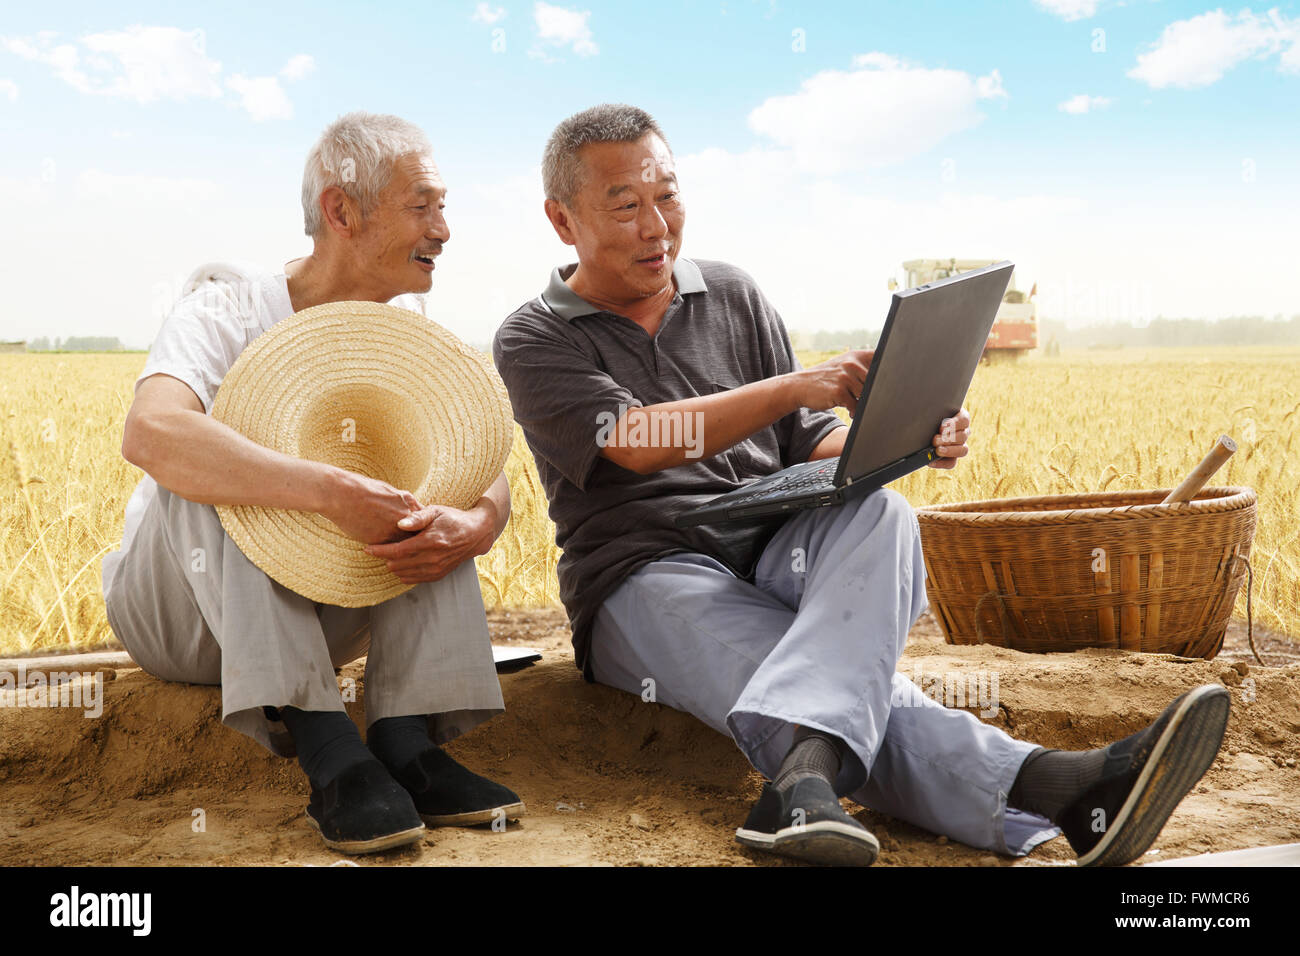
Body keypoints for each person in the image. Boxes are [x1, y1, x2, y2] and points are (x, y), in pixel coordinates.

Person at [491, 103, 1229, 867]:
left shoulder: (734, 294)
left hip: (778, 548)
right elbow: (637, 441)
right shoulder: (533, 335)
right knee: (810, 678)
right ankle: (1059, 784)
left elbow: (813, 442)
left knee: (882, 512)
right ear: (561, 219)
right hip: (647, 576)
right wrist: (788, 386)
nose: (657, 227)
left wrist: (898, 442)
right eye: (626, 206)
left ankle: (800, 783)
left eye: (669, 196)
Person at [102, 112, 523, 855]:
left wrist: (480, 523)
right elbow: (151, 434)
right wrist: (329, 490)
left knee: (438, 481)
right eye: (422, 205)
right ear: (341, 210)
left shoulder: (408, 326)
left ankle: (406, 746)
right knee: (209, 445)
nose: (445, 229)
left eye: (443, 206)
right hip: (182, 619)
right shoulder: (224, 312)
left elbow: (481, 460)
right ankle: (332, 756)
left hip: (326, 616)